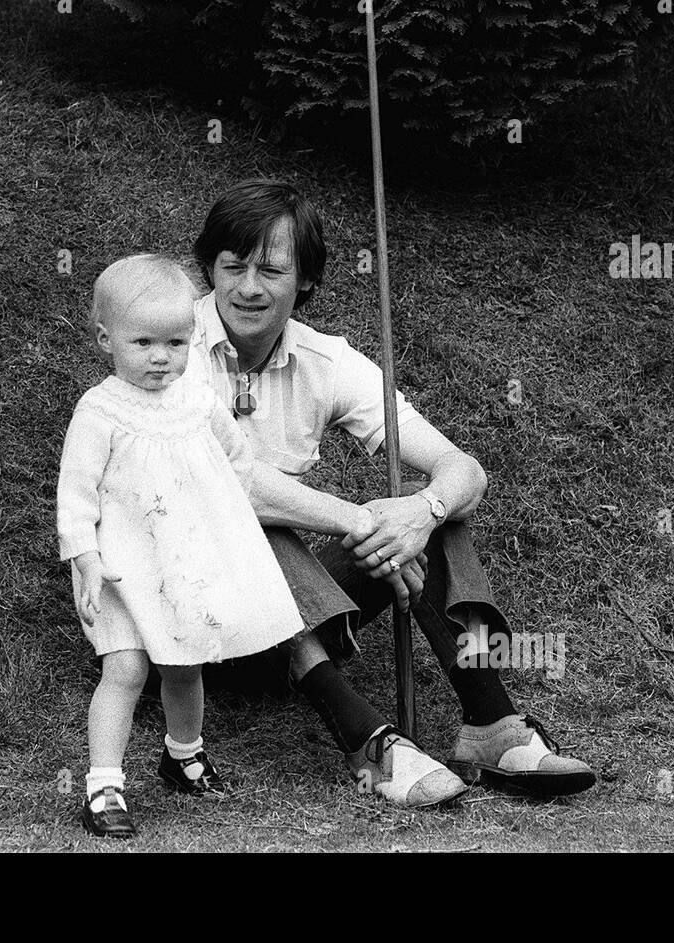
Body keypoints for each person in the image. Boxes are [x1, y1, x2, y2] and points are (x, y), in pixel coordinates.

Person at [183, 179, 596, 802]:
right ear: (210, 267)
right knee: (257, 526)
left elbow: (464, 470)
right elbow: (225, 481)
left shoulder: (326, 361)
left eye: (270, 270)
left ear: (306, 283)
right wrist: (360, 521)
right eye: (231, 266)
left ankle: (491, 722)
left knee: (439, 511)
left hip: (287, 621)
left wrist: (419, 513)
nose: (247, 287)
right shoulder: (171, 344)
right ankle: (370, 742)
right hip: (191, 626)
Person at [56, 253, 324, 837]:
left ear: (192, 338)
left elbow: (234, 459)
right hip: (123, 571)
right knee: (125, 668)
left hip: (183, 566)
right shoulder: (100, 411)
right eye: (144, 342)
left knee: (185, 666)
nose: (161, 357)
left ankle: (184, 755)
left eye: (176, 343)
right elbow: (76, 495)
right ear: (107, 339)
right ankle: (104, 787)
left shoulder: (198, 401)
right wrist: (85, 558)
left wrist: (216, 516)